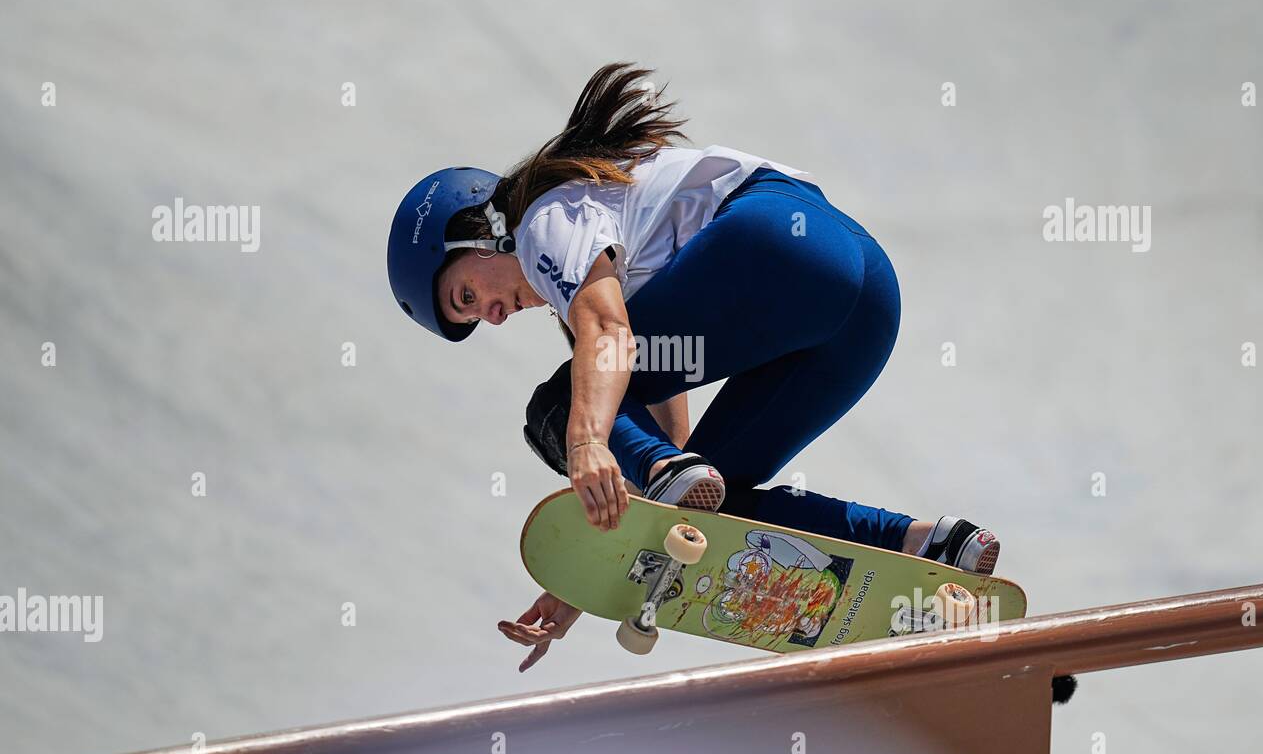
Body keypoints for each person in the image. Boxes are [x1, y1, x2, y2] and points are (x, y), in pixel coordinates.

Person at [387, 63, 1001, 671]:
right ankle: (930, 547)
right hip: (865, 299)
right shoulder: (589, 249)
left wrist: (585, 442)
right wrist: (597, 564)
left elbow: (608, 333)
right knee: (713, 503)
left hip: (780, 241)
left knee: (557, 405)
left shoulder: (544, 223)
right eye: (472, 320)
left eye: (467, 296)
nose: (490, 317)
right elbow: (676, 450)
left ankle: (622, 451)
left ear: (478, 231)